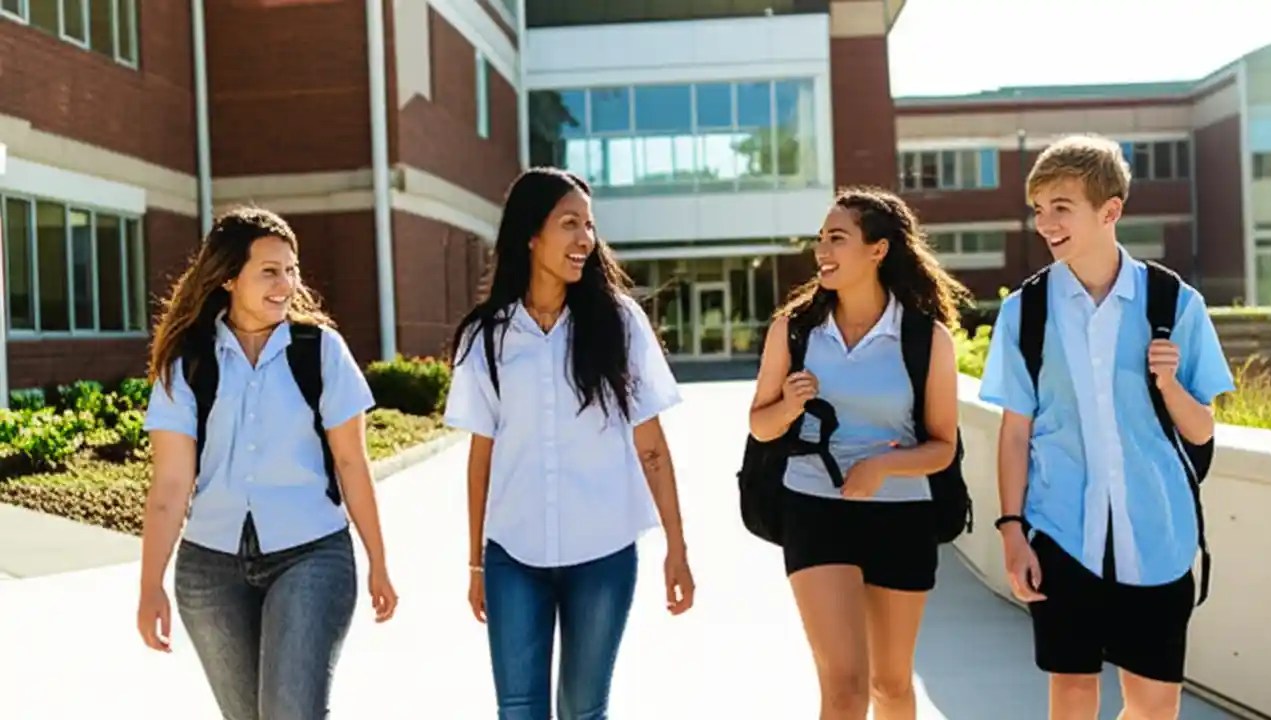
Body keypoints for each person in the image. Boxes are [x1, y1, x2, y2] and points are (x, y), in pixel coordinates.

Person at [978, 134, 1235, 720]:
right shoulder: (1027, 312)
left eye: (1060, 207)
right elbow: (1015, 432)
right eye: (1038, 209)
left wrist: (1170, 386)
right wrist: (1012, 532)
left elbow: (1201, 432)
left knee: (1152, 707)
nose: (1045, 223)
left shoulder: (1175, 304)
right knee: (1071, 695)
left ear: (1109, 210)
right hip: (1062, 529)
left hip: (1158, 533)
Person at [442, 166, 696, 720]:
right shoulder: (487, 336)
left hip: (602, 552)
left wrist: (677, 547)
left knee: (584, 710)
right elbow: (480, 456)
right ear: (531, 235)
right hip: (513, 554)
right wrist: (476, 564)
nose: (585, 239)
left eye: (589, 225)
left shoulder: (620, 323)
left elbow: (651, 445)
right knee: (519, 709)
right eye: (569, 224)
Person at [136, 206, 398, 719]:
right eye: (270, 271)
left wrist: (379, 563)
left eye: (291, 269)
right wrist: (150, 585)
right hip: (210, 567)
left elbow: (351, 464)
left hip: (311, 555)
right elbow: (170, 485)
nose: (287, 284)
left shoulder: (320, 351)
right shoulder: (188, 361)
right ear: (230, 278)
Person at [748, 186, 967, 719]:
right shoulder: (795, 329)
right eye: (821, 239)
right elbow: (759, 425)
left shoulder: (923, 338)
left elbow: (942, 447)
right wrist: (790, 405)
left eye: (837, 238)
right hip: (814, 507)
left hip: (901, 516)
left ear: (878, 250)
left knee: (890, 686)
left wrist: (884, 466)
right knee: (845, 687)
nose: (822, 250)